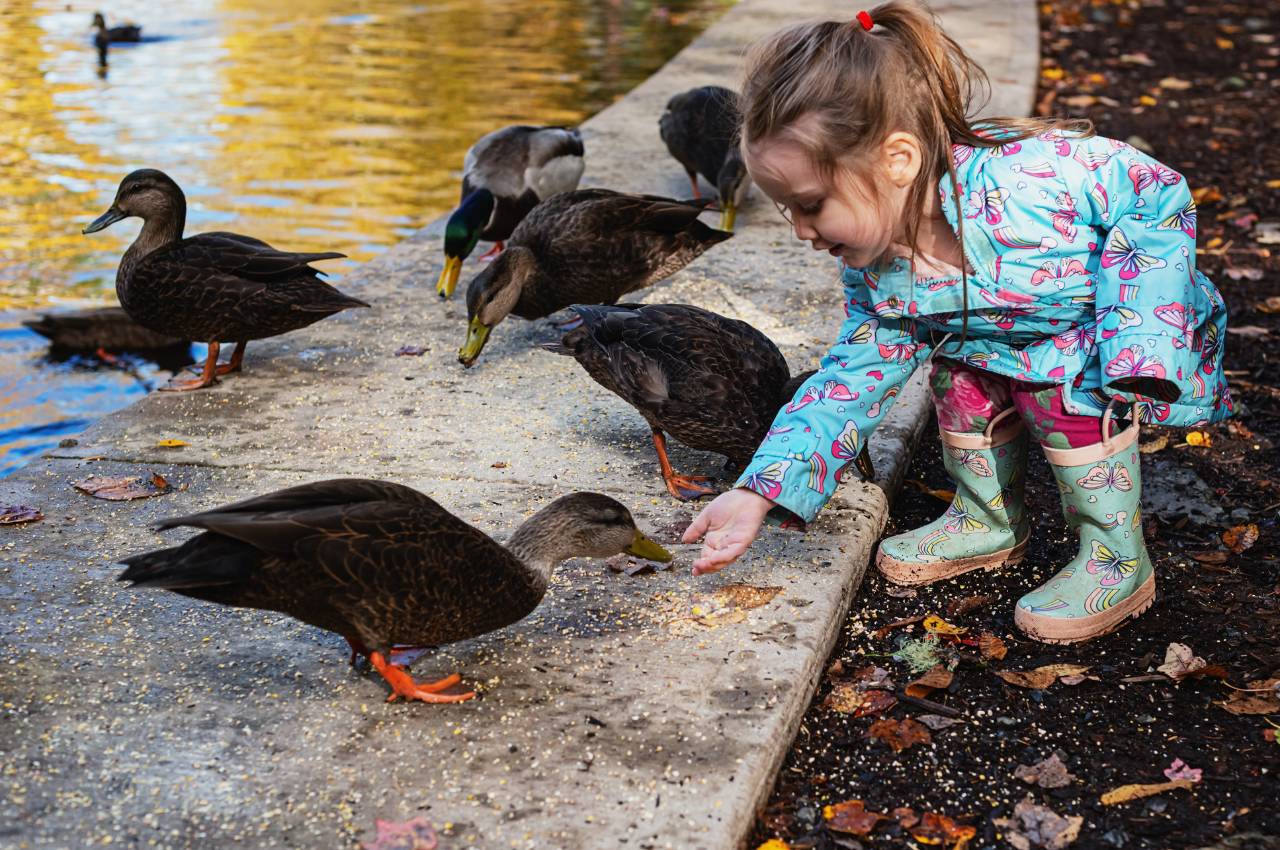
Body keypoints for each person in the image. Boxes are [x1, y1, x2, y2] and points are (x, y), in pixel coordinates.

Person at [681, 0, 1230, 644]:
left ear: (897, 161)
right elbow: (849, 378)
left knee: (1065, 397)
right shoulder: (878, 271)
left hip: (1089, 339)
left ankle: (1116, 559)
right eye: (784, 211)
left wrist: (1141, 341)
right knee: (956, 381)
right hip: (996, 348)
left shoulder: (1036, 182)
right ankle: (988, 518)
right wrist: (761, 491)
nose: (801, 231)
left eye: (809, 205)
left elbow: (1156, 193)